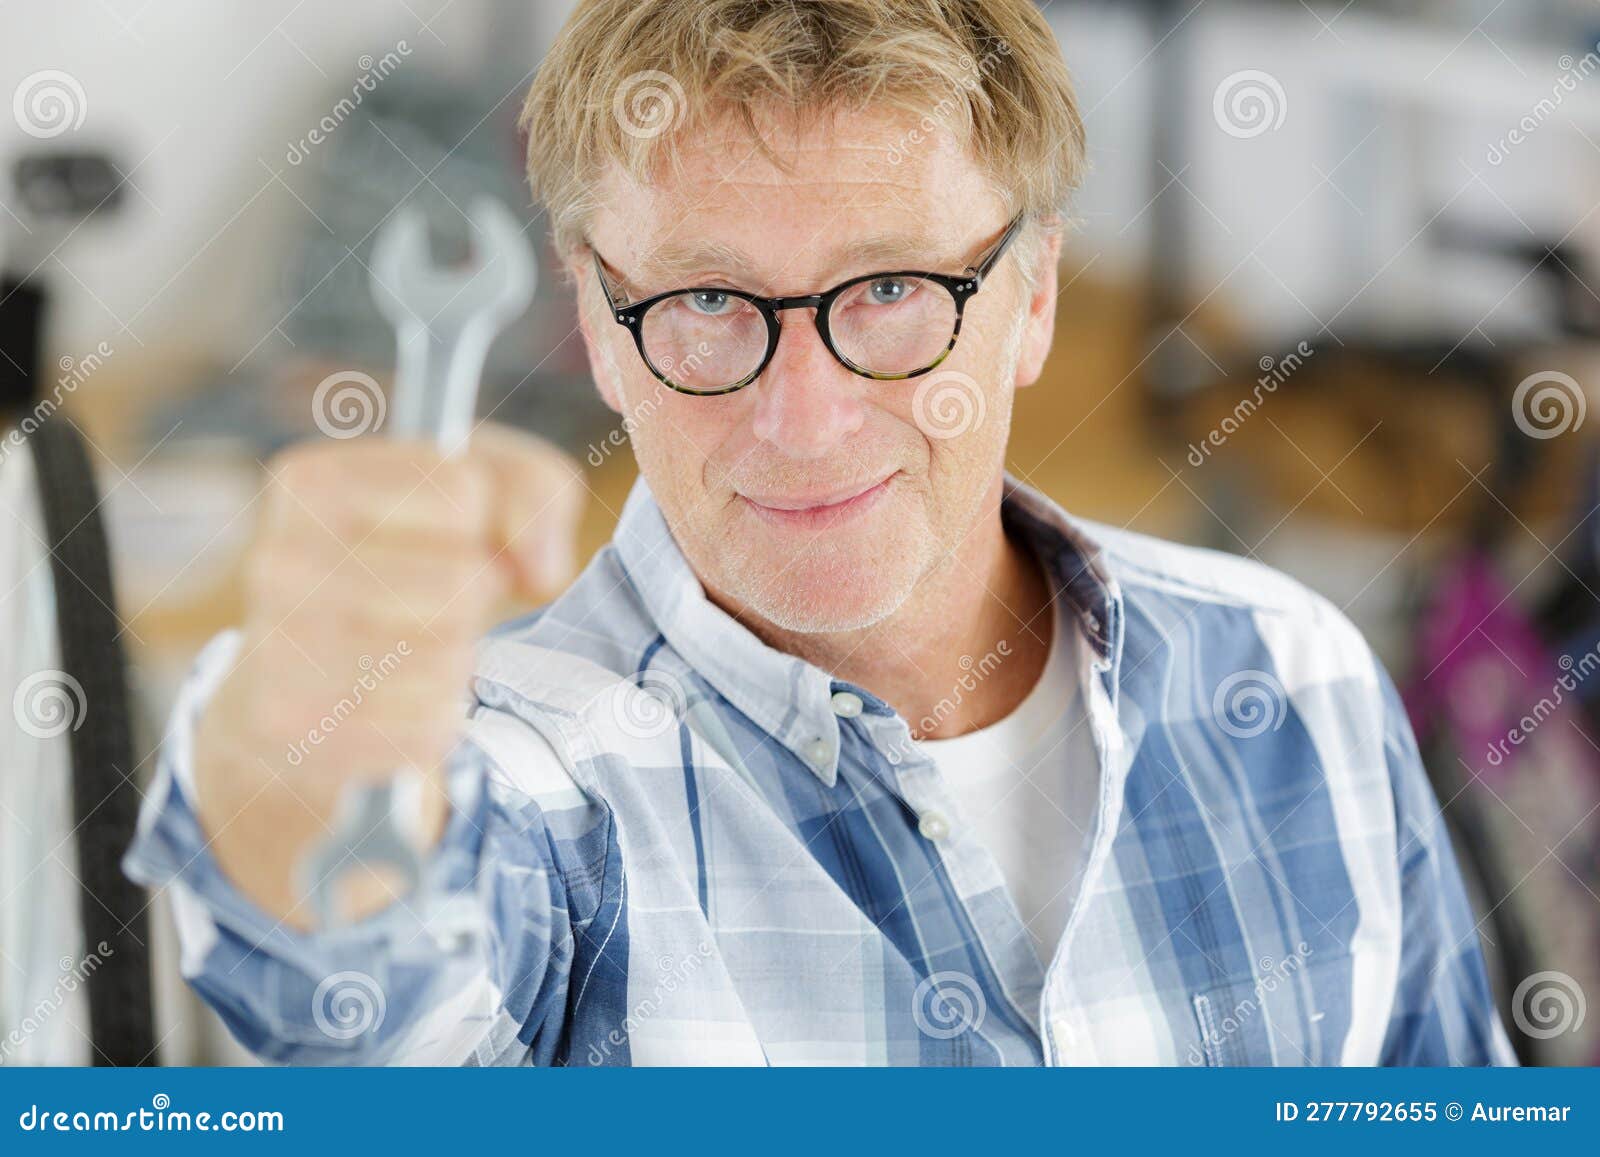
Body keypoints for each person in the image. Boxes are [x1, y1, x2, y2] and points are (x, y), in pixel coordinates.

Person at [124, 0, 1514, 1065]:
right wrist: (292, 750)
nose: (802, 418)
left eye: (893, 288)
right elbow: (360, 997)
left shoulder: (1298, 677)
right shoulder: (539, 782)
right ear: (595, 324)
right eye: (706, 303)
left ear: (1033, 295)